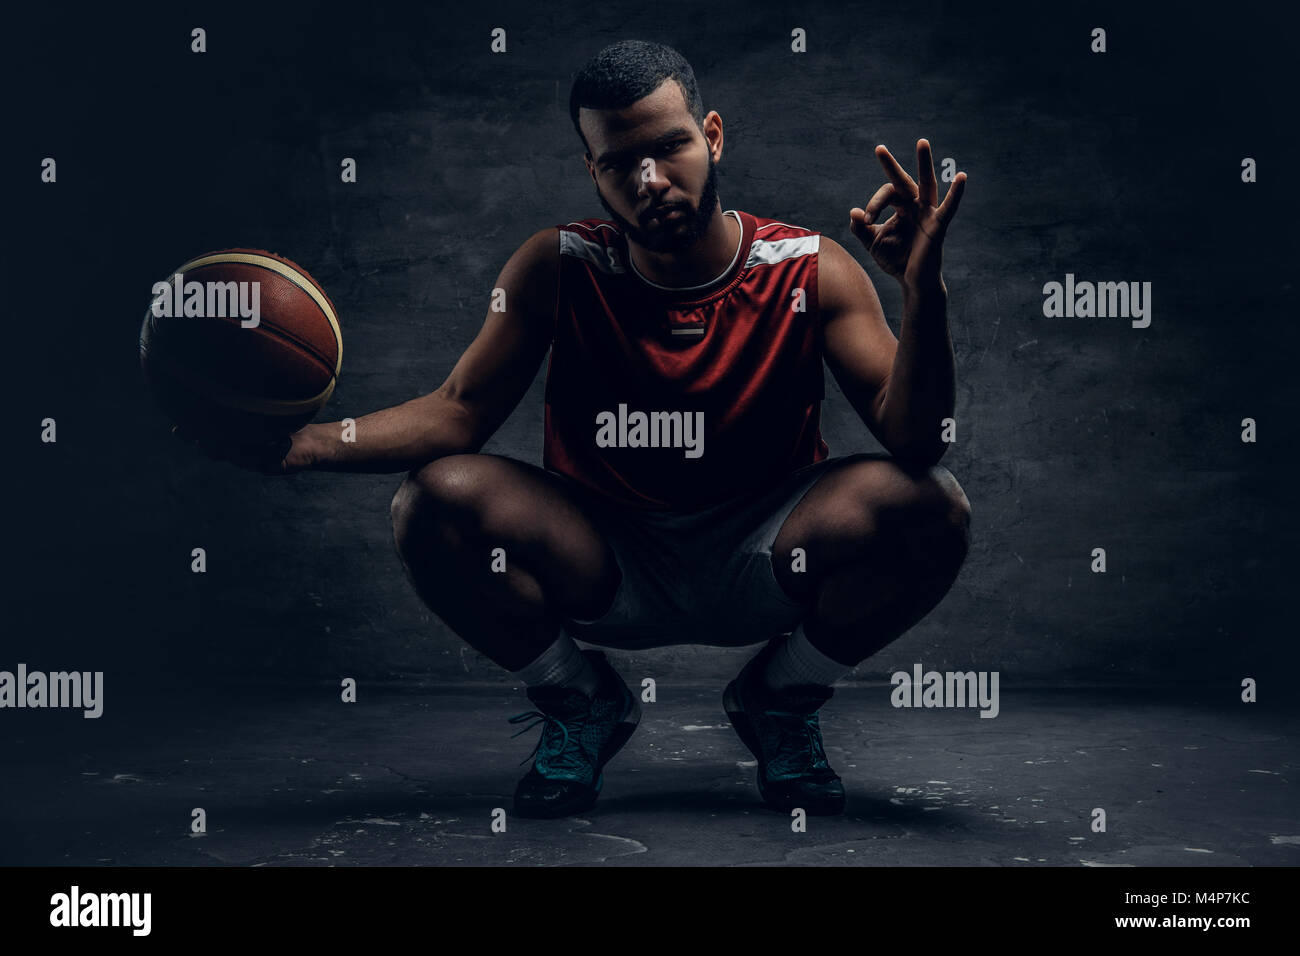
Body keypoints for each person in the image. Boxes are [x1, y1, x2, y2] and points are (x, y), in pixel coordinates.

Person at [183, 39, 972, 819]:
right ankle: (582, 700)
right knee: (433, 502)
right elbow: (459, 410)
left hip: (764, 555)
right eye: (621, 162)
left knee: (932, 504)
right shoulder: (556, 268)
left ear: (714, 136)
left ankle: (782, 697)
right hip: (607, 557)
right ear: (593, 172)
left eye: (671, 146)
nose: (651, 179)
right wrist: (300, 446)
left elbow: (918, 439)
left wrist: (922, 290)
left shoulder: (810, 268)